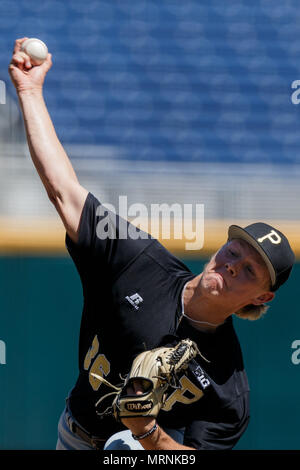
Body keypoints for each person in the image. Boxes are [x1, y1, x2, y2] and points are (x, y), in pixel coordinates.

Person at [9, 38, 295, 451]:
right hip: (73, 434)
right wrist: (29, 91)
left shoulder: (228, 386)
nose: (233, 265)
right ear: (219, 249)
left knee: (124, 446)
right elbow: (65, 192)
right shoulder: (138, 261)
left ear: (262, 296)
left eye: (250, 269)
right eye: (235, 251)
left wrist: (147, 431)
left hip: (144, 451)